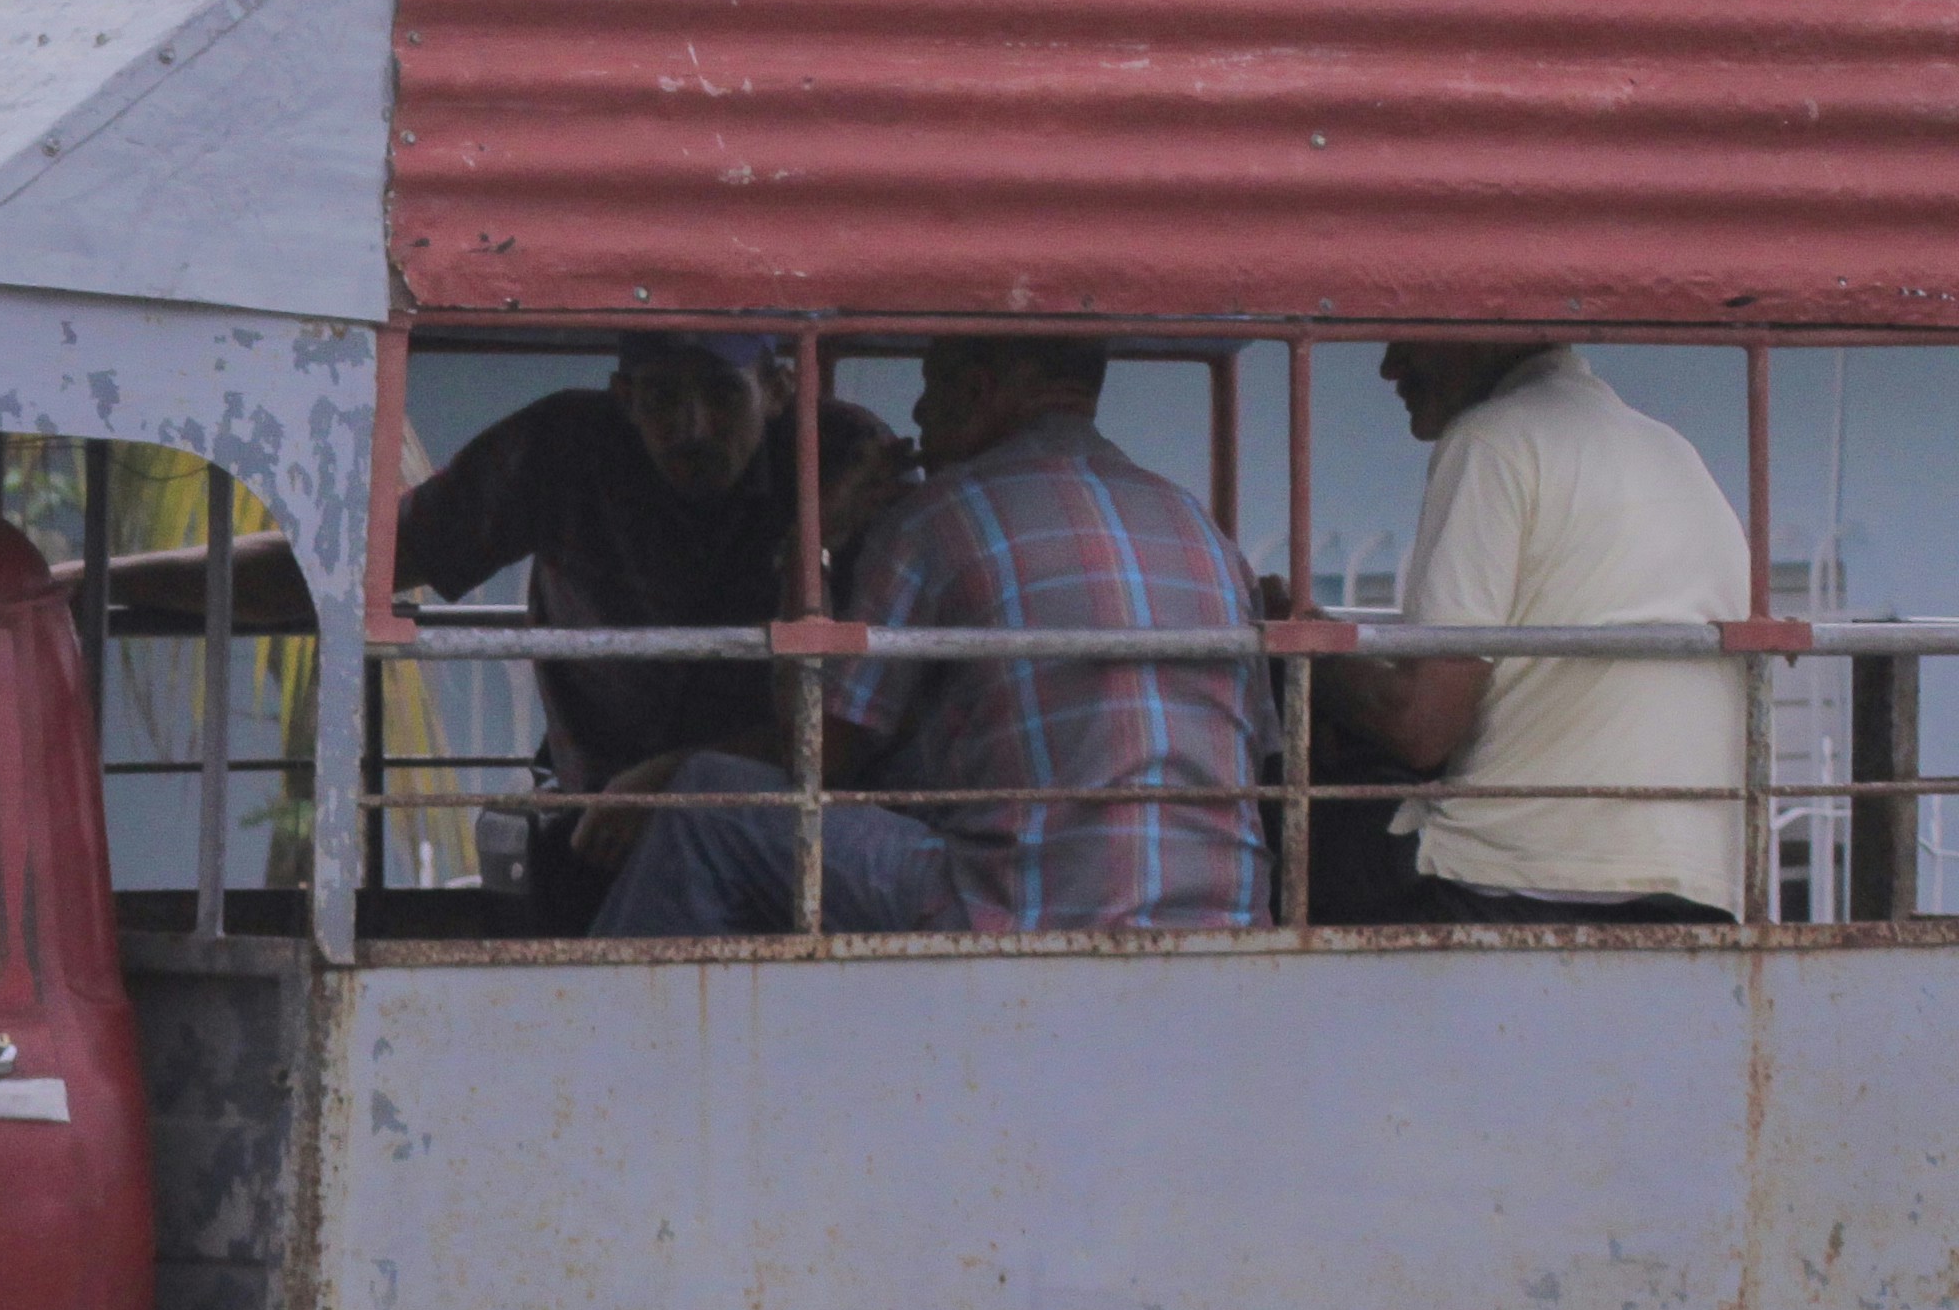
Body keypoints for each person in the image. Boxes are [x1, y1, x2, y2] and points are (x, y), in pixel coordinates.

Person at [215, 335, 910, 925]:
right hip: (590, 812)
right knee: (522, 860)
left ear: (780, 390)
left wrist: (674, 782)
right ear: (625, 396)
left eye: (723, 396)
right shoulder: (566, 447)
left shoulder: (839, 461)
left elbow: (857, 719)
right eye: (664, 397)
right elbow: (359, 562)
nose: (694, 427)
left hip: (782, 817)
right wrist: (116, 583)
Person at [596, 336, 1268, 938]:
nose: (916, 416)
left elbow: (818, 754)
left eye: (930, 386)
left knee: (707, 804)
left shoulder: (935, 514)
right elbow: (1258, 739)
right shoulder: (1200, 527)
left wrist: (814, 546)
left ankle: (612, 1051)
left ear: (975, 390)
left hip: (1021, 912)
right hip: (1228, 912)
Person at [1321, 342, 1753, 927]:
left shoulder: (1491, 439)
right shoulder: (1672, 450)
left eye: (1408, 334)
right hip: (1697, 883)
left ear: (1489, 328)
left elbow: (1423, 728)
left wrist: (1304, 653)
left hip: (1517, 879)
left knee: (1299, 816)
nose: (1389, 366)